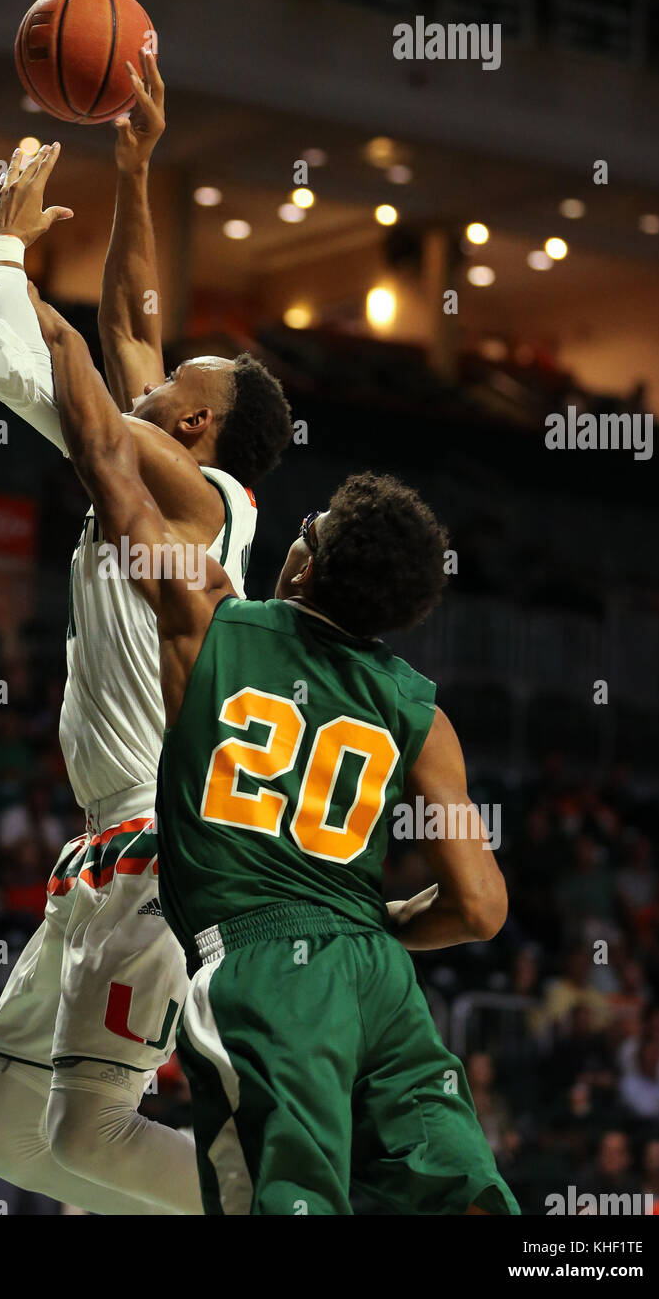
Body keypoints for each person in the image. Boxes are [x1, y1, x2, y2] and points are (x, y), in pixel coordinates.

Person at [38, 301, 518, 1215]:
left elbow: (107, 464)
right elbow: (481, 907)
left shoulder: (212, 615)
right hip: (376, 977)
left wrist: (52, 329)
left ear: (302, 567)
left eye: (308, 527)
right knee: (457, 1187)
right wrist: (380, 925)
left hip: (262, 966)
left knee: (287, 1194)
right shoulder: (422, 712)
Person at [0, 51, 293, 1217]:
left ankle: (285, 1202)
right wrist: (136, 164)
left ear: (194, 423)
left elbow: (26, 360)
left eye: (164, 385)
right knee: (4, 1137)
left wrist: (4, 250)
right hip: (105, 833)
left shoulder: (209, 504)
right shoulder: (162, 474)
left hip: (168, 838)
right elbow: (129, 318)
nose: (136, 375)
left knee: (93, 1139)